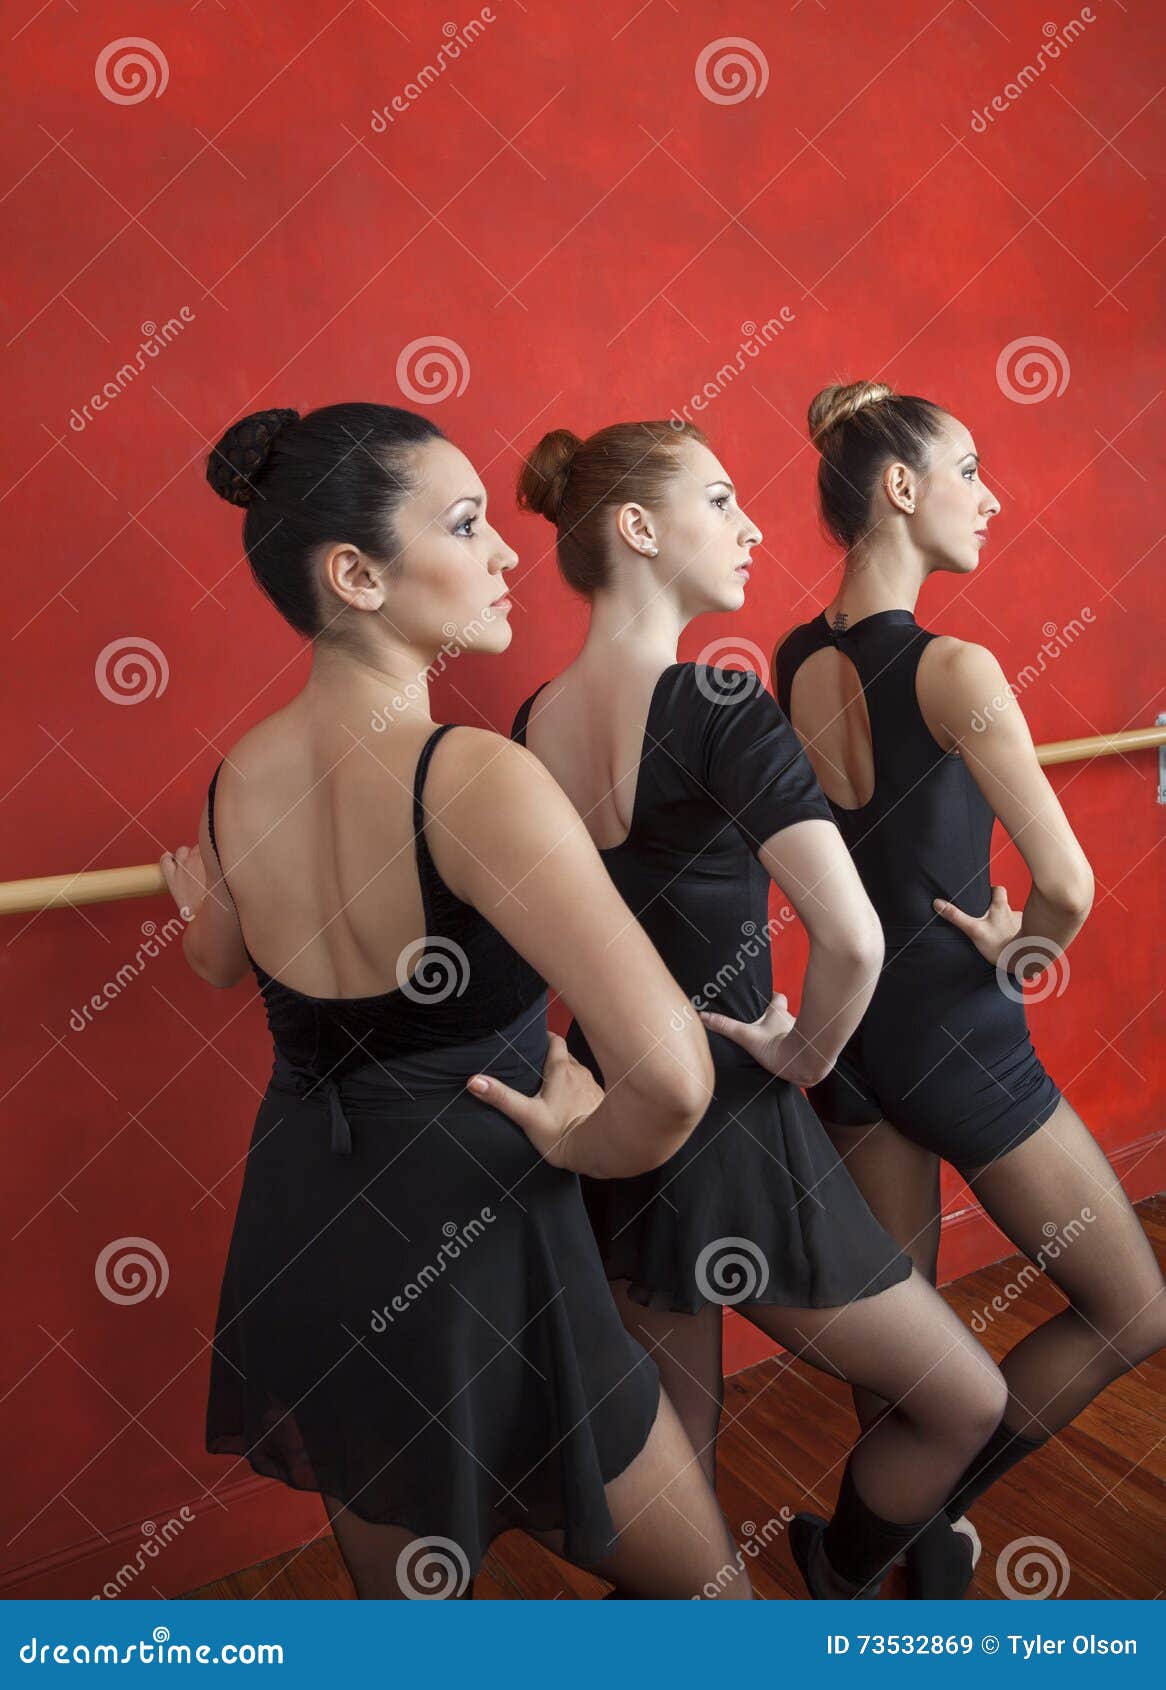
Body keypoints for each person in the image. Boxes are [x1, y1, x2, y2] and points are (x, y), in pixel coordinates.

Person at [160, 400, 758, 1600]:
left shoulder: (238, 778)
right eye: (469, 523)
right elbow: (674, 1078)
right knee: (714, 1613)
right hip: (479, 1217)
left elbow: (229, 967)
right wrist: (588, 1139)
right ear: (354, 574)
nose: (502, 556)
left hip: (310, 1217)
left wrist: (204, 913)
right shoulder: (479, 775)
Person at [504, 416, 1009, 1600]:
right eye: (722, 500)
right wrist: (801, 1048)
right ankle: (840, 1574)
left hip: (610, 1108)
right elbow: (850, 935)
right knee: (965, 1399)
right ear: (637, 529)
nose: (755, 524)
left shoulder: (531, 720)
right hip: (724, 1116)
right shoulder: (719, 707)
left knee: (678, 1471)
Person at [772, 379, 1166, 1593]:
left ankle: (883, 1549)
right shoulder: (955, 665)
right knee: (1132, 1312)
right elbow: (1064, 883)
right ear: (898, 487)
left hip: (849, 1039)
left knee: (905, 1355)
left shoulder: (791, 654)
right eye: (969, 469)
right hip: (951, 1030)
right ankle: (883, 1540)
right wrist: (1022, 948)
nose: (991, 499)